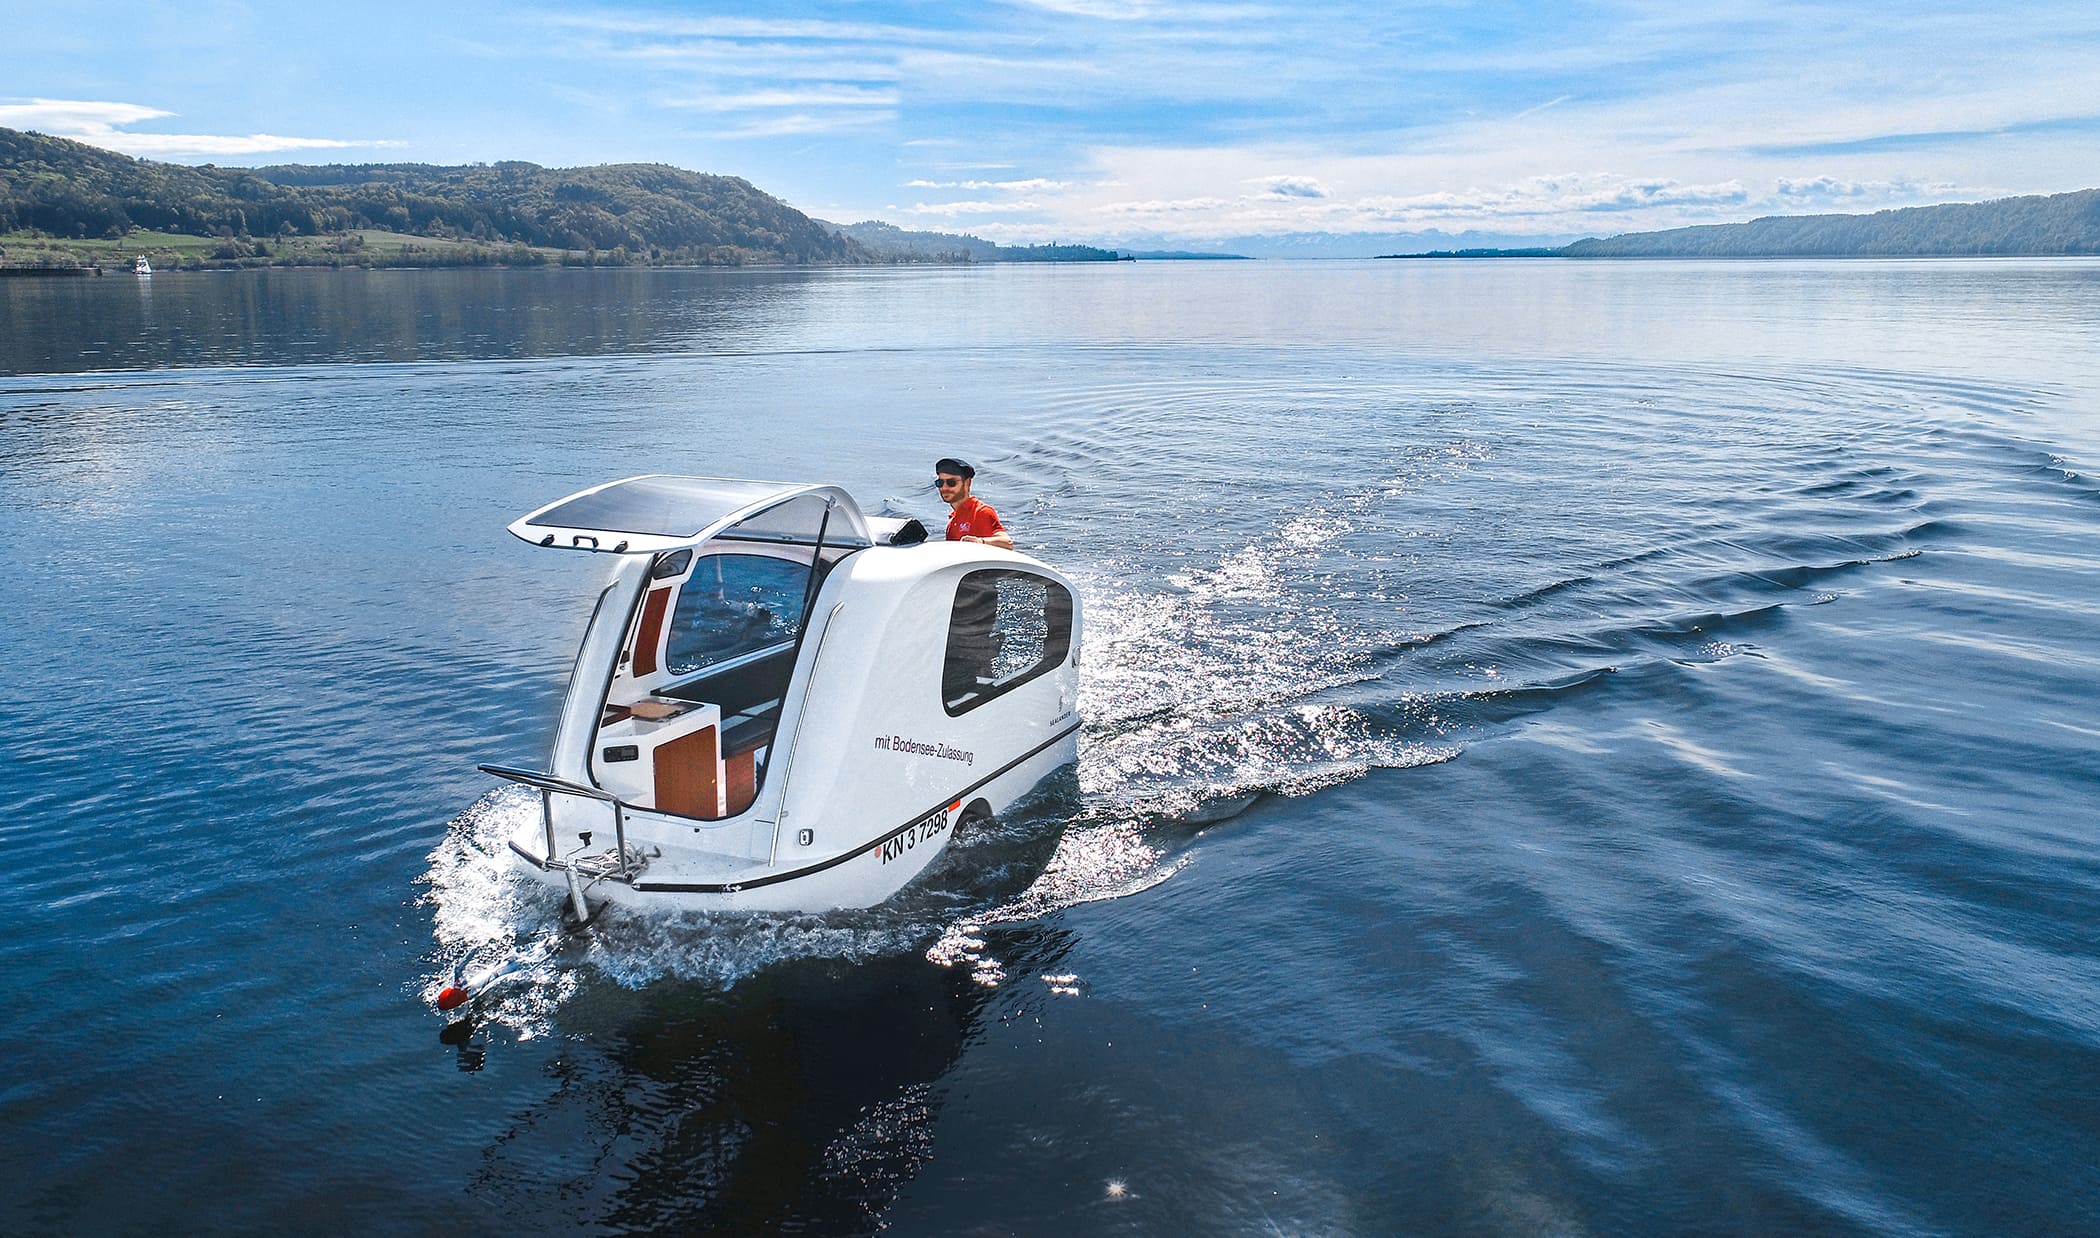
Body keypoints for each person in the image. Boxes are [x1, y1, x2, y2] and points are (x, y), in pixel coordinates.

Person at [935, 457, 1013, 550]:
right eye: (940, 483)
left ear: (967, 483)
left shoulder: (981, 512)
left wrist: (980, 542)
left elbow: (1007, 543)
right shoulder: (953, 521)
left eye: (951, 482)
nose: (944, 487)